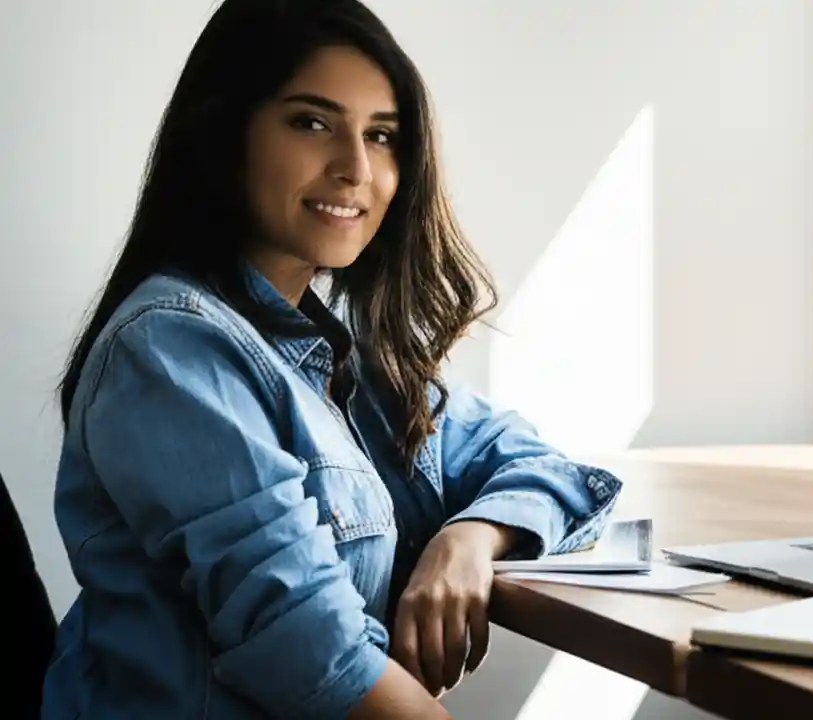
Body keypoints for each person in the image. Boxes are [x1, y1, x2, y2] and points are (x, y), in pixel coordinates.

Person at [42, 1, 621, 718]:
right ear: (226, 133)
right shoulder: (170, 347)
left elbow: (549, 469)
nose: (355, 168)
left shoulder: (345, 365)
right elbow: (310, 652)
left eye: (382, 136)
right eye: (311, 123)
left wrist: (468, 538)